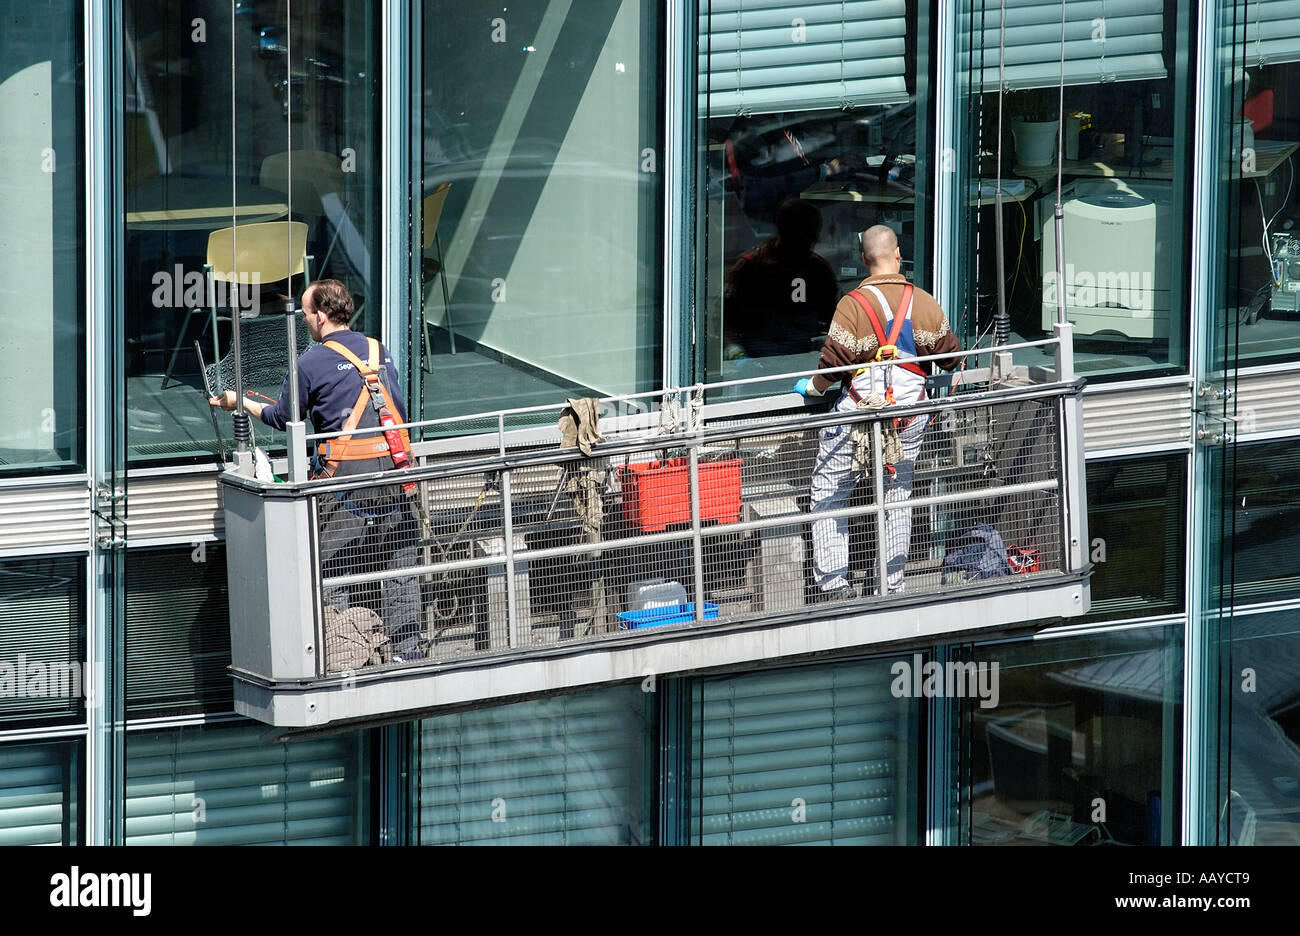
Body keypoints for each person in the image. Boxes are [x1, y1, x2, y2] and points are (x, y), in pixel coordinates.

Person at [210, 279, 423, 661]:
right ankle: (408, 654)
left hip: (344, 483)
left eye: (306, 313)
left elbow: (282, 417)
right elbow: (399, 412)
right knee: (400, 569)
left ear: (321, 316)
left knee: (332, 570)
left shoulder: (310, 363)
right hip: (395, 474)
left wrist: (238, 402)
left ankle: (346, 653)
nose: (305, 320)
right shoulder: (378, 350)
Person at [795, 225, 962, 600]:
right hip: (909, 416)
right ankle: (890, 585)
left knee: (829, 493)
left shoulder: (852, 304)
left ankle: (836, 586)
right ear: (898, 254)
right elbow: (951, 357)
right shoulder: (924, 302)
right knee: (897, 493)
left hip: (858, 415)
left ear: (863, 260)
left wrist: (812, 388)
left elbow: (833, 364)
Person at [723, 198, 839, 359]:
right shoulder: (749, 267)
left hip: (804, 357)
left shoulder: (819, 270)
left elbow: (834, 322)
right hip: (757, 358)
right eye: (810, 233)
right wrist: (736, 353)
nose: (816, 239)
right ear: (789, 232)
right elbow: (724, 323)